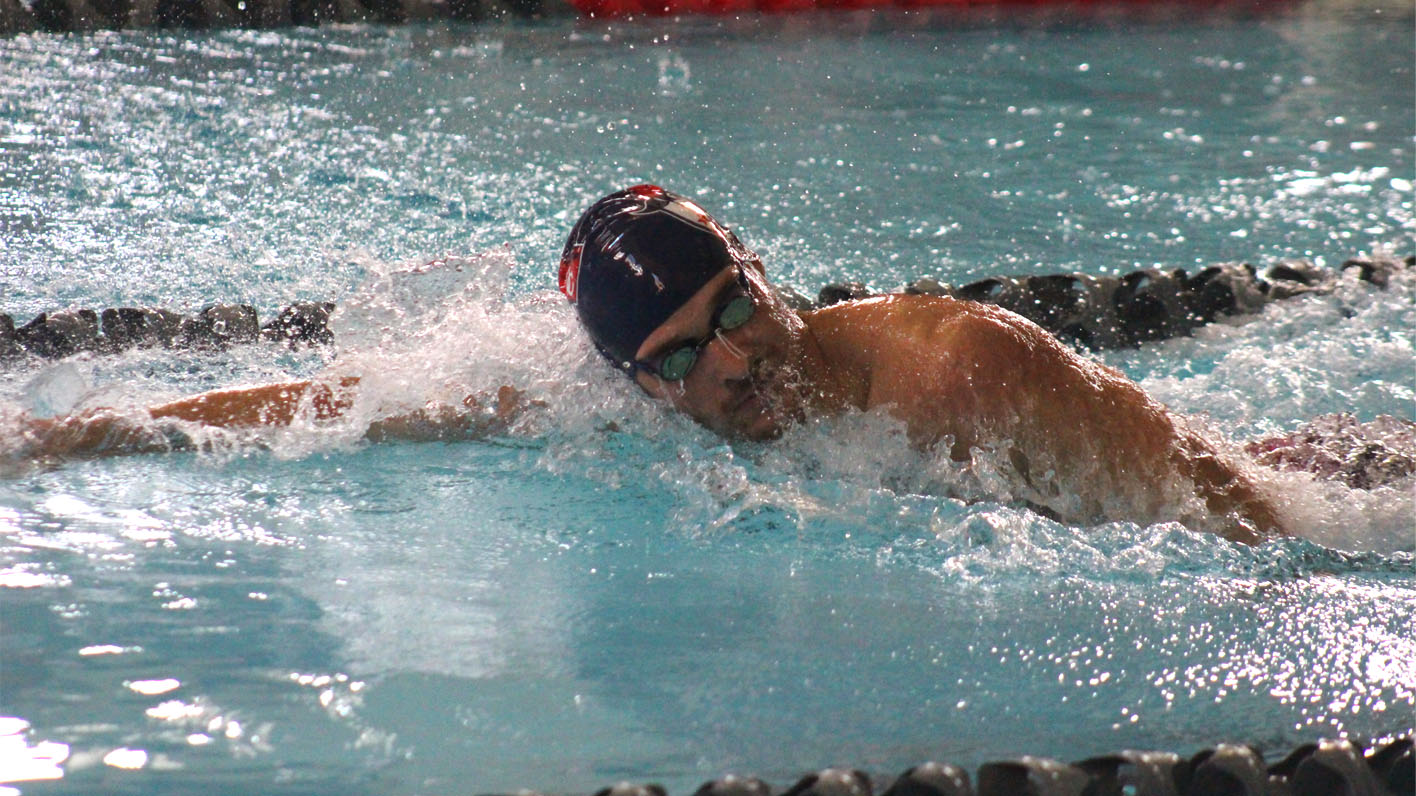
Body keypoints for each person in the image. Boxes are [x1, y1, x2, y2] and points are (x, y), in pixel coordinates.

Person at [15, 184, 1401, 543]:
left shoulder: (957, 370)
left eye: (739, 307)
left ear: (761, 273)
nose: (742, 358)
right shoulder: (591, 398)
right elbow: (350, 409)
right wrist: (123, 423)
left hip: (1254, 482)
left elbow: (1233, 521)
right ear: (642, 387)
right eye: (691, 354)